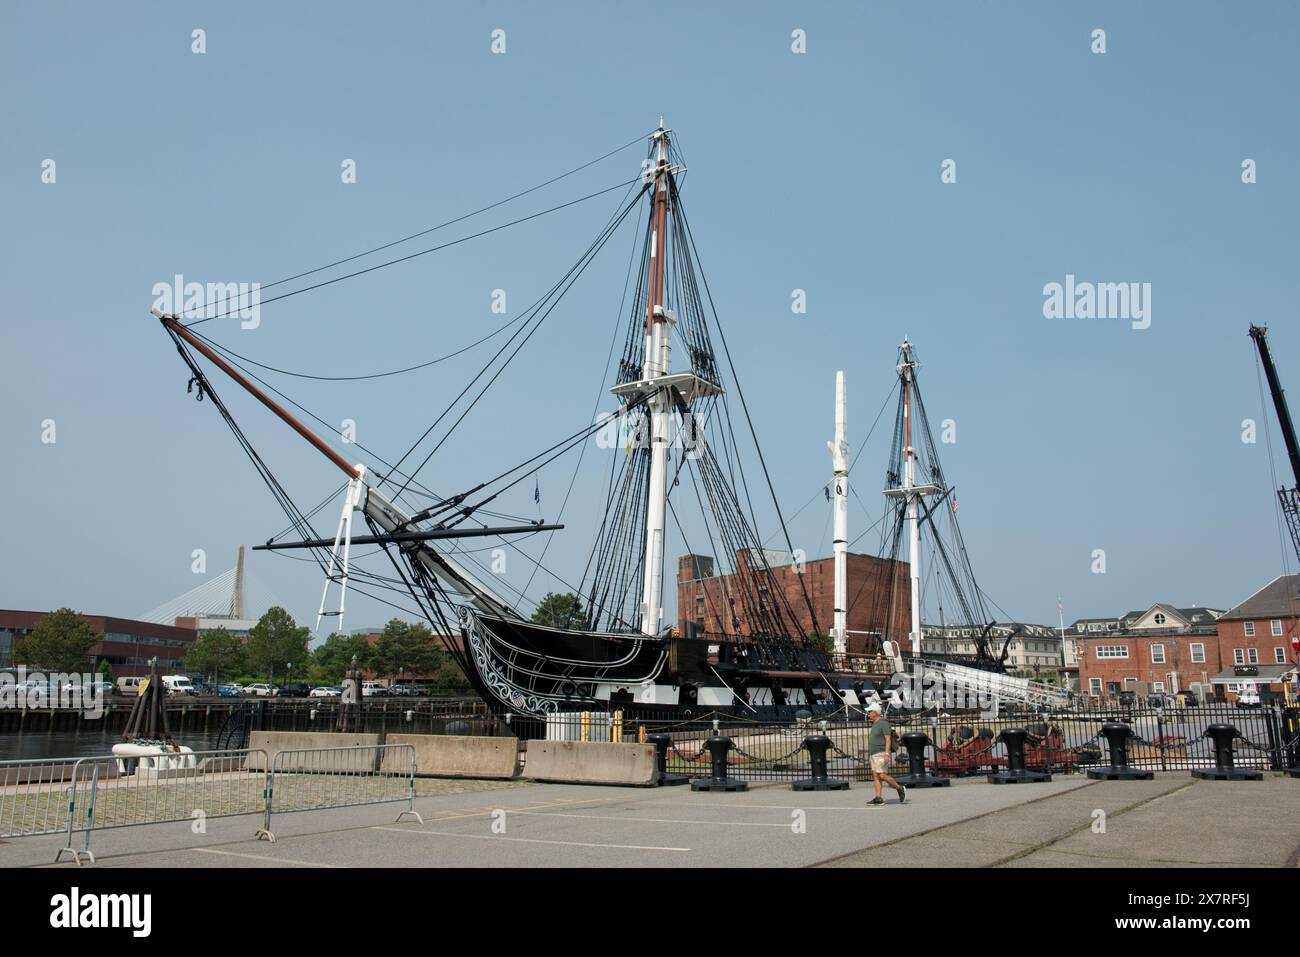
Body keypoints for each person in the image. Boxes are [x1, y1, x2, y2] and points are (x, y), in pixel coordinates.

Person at [865, 703, 906, 806]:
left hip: (881, 753)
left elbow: (888, 739)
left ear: (875, 712)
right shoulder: (875, 723)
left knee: (881, 775)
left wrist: (887, 754)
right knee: (876, 776)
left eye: (870, 711)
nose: (868, 713)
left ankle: (899, 787)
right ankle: (878, 797)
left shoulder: (883, 723)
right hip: (873, 753)